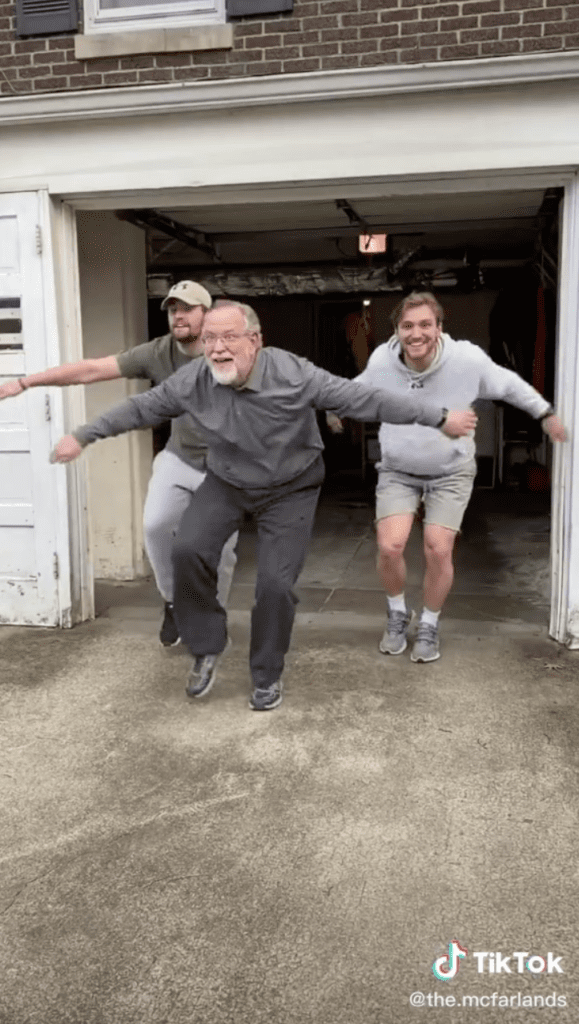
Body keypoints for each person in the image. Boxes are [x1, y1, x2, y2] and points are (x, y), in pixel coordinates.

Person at [50, 301, 478, 711]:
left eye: (229, 337)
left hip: (290, 487)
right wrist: (84, 435)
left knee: (274, 584)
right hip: (228, 481)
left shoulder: (293, 373)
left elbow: (364, 399)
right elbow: (141, 408)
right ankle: (206, 645)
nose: (217, 348)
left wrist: (439, 417)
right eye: (210, 338)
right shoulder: (194, 379)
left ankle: (267, 674)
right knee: (187, 549)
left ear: (254, 340)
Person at [332, 291, 567, 664]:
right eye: (408, 326)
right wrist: (337, 407)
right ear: (397, 331)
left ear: (439, 328)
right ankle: (397, 613)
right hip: (398, 470)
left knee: (438, 548)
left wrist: (544, 413)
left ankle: (429, 623)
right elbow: (360, 387)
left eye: (425, 324)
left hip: (450, 471)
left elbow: (508, 384)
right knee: (390, 546)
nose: (416, 334)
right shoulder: (383, 360)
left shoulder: (465, 360)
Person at [0, 280, 238, 647]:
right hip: (179, 457)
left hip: (225, 469)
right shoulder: (158, 352)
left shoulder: (230, 352)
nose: (178, 315)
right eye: (173, 309)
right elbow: (92, 369)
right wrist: (27, 382)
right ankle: (174, 602)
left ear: (207, 314)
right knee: (156, 526)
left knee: (219, 549)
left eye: (188, 308)